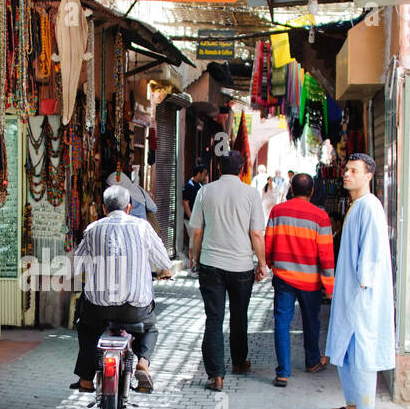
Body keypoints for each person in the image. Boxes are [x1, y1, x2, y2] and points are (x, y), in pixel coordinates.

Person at [71, 185, 173, 394]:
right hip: (135, 307)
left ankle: (85, 379)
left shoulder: (92, 229)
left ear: (104, 208)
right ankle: (143, 363)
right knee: (150, 328)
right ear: (129, 207)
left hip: (99, 307)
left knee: (87, 328)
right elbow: (164, 261)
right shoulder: (143, 227)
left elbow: (76, 267)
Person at [324, 154, 396, 409]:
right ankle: (354, 403)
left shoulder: (370, 207)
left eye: (354, 171)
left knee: (363, 349)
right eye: (346, 170)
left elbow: (372, 250)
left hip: (362, 295)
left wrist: (363, 284)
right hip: (350, 292)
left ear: (369, 176)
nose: (346, 174)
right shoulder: (357, 206)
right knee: (349, 349)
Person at [189, 150, 267, 391]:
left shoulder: (205, 191)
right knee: (239, 315)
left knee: (214, 318)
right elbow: (256, 233)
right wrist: (262, 264)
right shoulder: (251, 194)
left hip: (211, 264)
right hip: (241, 266)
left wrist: (196, 258)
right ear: (242, 170)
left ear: (219, 169)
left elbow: (197, 231)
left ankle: (216, 375)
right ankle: (239, 362)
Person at [265, 173, 335, 386]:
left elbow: (269, 241)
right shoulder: (320, 217)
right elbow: (326, 254)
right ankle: (312, 361)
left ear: (292, 190)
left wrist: (270, 263)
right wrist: (329, 286)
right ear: (312, 191)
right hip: (310, 280)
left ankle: (283, 372)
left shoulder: (278, 211)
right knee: (311, 321)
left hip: (284, 277)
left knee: (282, 323)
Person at [181, 165, 208, 258]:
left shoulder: (200, 185)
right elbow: (185, 203)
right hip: (190, 220)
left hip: (198, 220)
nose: (205, 177)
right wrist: (192, 218)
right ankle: (191, 266)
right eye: (204, 174)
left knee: (197, 242)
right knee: (193, 242)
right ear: (198, 174)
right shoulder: (189, 185)